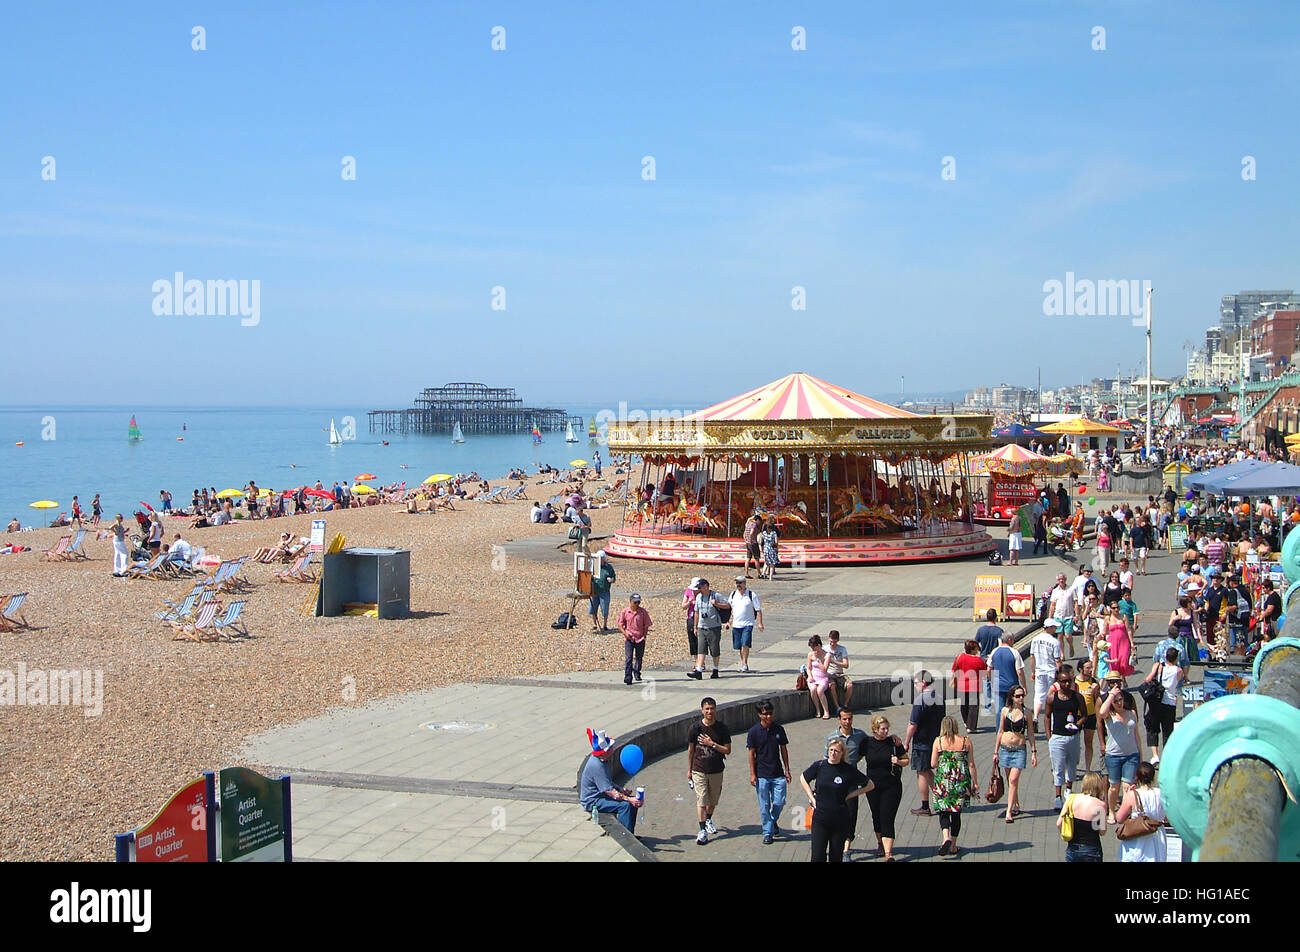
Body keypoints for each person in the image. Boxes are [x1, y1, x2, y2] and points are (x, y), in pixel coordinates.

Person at [800, 737, 870, 863]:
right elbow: (803, 778)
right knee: (817, 856)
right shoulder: (820, 766)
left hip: (840, 819)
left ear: (842, 753)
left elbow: (870, 785)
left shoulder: (848, 770)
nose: (833, 753)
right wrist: (811, 797)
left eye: (836, 751)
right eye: (831, 750)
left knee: (836, 856)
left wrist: (851, 795)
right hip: (820, 818)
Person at [930, 715, 979, 857]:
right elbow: (971, 764)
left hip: (943, 782)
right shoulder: (965, 742)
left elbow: (933, 764)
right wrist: (975, 783)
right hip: (960, 781)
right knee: (956, 813)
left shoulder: (938, 742)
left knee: (943, 810)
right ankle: (953, 845)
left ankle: (945, 836)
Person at [686, 697, 732, 845]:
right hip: (699, 769)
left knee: (712, 800)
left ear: (715, 710)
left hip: (716, 769)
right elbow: (691, 750)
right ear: (702, 710)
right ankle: (702, 830)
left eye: (712, 708)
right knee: (702, 799)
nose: (709, 711)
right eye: (707, 709)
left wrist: (712, 744)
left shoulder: (722, 728)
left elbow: (727, 750)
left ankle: (708, 819)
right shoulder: (695, 728)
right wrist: (689, 770)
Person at [861, 715, 907, 860]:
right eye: (883, 729)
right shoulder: (867, 743)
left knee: (887, 817)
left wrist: (898, 761)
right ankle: (880, 842)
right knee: (876, 815)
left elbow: (906, 760)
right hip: (872, 786)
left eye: (887, 728)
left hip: (891, 785)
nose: (886, 731)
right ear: (875, 729)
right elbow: (855, 757)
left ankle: (889, 853)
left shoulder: (893, 742)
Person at [825, 708, 869, 858]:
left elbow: (870, 745)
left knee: (851, 814)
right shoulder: (831, 737)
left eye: (850, 718)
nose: (847, 722)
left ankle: (846, 848)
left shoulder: (859, 735)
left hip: (850, 781)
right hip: (834, 781)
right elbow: (827, 760)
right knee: (832, 812)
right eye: (844, 719)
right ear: (839, 720)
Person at [746, 701, 791, 845]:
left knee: (779, 801)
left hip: (778, 773)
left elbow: (783, 749)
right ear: (759, 715)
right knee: (764, 806)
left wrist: (787, 769)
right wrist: (752, 774)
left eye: (770, 713)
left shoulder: (779, 729)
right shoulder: (753, 732)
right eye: (765, 714)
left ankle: (771, 822)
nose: (769, 716)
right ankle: (767, 832)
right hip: (762, 775)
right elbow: (751, 754)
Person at [579, 731, 642, 833]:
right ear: (605, 751)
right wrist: (628, 799)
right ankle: (624, 834)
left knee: (631, 803)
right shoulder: (597, 765)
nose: (613, 749)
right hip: (592, 800)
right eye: (610, 748)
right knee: (625, 806)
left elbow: (607, 781)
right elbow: (609, 791)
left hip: (600, 795)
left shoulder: (602, 761)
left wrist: (620, 789)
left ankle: (630, 833)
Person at [993, 684, 1037, 822]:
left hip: (1019, 750)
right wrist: (995, 751)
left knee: (1013, 780)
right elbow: (1000, 731)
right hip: (1005, 749)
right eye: (1018, 696)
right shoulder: (1005, 711)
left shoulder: (1027, 713)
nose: (1021, 698)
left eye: (1022, 695)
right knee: (1011, 781)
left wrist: (1034, 751)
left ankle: (1009, 811)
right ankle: (1016, 804)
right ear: (1012, 697)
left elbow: (1030, 732)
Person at [1098, 680, 1141, 820]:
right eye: (1116, 701)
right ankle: (1111, 811)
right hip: (1114, 755)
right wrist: (1111, 695)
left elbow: (1137, 735)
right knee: (1114, 787)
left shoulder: (1131, 713)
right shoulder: (1109, 716)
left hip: (1131, 755)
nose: (1119, 703)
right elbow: (1101, 711)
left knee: (1128, 785)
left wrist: (1140, 754)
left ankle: (1125, 812)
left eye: (1120, 700)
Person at [905, 671, 945, 816]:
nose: (915, 686)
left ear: (923, 683)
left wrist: (906, 741)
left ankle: (925, 806)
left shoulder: (920, 700)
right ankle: (942, 798)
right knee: (929, 770)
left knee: (921, 771)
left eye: (915, 683)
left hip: (922, 743)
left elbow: (913, 724)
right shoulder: (939, 697)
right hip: (936, 741)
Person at [1045, 664, 1084, 809]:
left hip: (1073, 736)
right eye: (1064, 681)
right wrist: (1049, 736)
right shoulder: (1052, 698)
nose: (1067, 684)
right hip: (1058, 736)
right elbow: (1047, 716)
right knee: (1058, 767)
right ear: (1058, 682)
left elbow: (1084, 715)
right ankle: (1057, 796)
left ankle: (1069, 790)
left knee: (1072, 764)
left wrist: (1077, 725)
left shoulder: (1077, 697)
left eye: (1069, 681)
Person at [1115, 762, 1167, 862]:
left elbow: (1119, 818)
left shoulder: (1132, 795)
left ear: (1137, 777)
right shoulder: (1161, 793)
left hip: (1137, 839)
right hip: (1157, 838)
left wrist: (1126, 794)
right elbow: (1167, 817)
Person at [1141, 648, 1183, 765]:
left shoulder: (1159, 666)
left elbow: (1147, 679)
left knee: (1152, 728)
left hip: (1157, 702)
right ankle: (1167, 756)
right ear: (1176, 658)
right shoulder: (1179, 670)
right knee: (1167, 731)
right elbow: (1175, 685)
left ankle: (1155, 755)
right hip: (1170, 703)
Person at [1057, 771, 1108, 862]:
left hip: (1073, 847)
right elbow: (1102, 831)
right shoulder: (1100, 805)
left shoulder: (1071, 799)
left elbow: (1059, 823)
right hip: (1092, 848)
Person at [688, 579, 728, 681]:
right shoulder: (699, 597)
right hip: (702, 627)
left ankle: (715, 669)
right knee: (701, 649)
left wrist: (717, 604)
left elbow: (728, 606)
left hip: (714, 627)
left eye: (700, 587)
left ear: (706, 586)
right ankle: (699, 671)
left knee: (714, 650)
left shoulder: (716, 595)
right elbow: (696, 612)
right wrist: (696, 627)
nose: (699, 590)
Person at [1030, 620, 1063, 732]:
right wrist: (1060, 673)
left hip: (1039, 671)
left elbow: (1032, 657)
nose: (1055, 629)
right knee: (1053, 696)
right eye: (1054, 627)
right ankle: (1053, 723)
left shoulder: (1035, 639)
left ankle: (1035, 718)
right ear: (1049, 628)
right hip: (1051, 671)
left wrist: (1033, 671)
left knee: (1039, 695)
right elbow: (1057, 660)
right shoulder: (1054, 642)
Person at [950, 639, 988, 733]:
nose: (977, 651)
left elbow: (954, 669)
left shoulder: (960, 657)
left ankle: (966, 722)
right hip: (974, 686)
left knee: (964, 704)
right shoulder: (978, 660)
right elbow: (984, 673)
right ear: (972, 649)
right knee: (973, 706)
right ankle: (971, 726)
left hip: (962, 685)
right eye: (976, 649)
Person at [727, 575, 762, 673]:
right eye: (737, 583)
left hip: (748, 623)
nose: (738, 585)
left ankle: (745, 664)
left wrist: (760, 623)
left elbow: (758, 609)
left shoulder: (751, 594)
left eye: (740, 583)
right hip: (736, 624)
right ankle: (743, 662)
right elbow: (728, 608)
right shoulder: (733, 594)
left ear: (745, 583)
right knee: (739, 645)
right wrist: (727, 621)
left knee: (745, 643)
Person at [618, 593, 651, 685]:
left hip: (640, 638)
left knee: (639, 657)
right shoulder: (625, 611)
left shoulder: (643, 612)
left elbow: (646, 625)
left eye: (638, 602)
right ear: (630, 602)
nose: (637, 604)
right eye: (635, 602)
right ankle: (628, 676)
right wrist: (625, 634)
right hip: (629, 638)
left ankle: (637, 672)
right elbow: (620, 624)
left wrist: (644, 636)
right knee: (628, 658)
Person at [1074, 659, 1101, 771]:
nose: (1091, 670)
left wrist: (1096, 691)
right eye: (1088, 668)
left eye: (1091, 667)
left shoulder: (1094, 682)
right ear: (1081, 669)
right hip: (1078, 715)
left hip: (1091, 715)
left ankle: (1088, 769)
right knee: (1074, 742)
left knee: (1088, 742)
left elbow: (1098, 700)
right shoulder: (1074, 682)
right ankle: (1072, 767)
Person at [975, 609, 1003, 712]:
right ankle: (997, 702)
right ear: (996, 617)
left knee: (986, 682)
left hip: (983, 659)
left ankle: (987, 706)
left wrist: (981, 652)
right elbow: (1000, 646)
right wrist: (992, 655)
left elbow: (975, 643)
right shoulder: (999, 631)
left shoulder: (981, 630)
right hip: (994, 660)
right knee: (995, 681)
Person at [824, 629, 853, 708]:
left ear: (838, 640)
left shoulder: (842, 649)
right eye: (831, 642)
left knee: (849, 685)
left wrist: (834, 662)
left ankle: (845, 704)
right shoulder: (825, 649)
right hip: (829, 674)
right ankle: (837, 706)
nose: (832, 644)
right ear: (828, 639)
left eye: (834, 642)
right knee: (832, 686)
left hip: (839, 673)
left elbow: (846, 665)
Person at [589, 551, 616, 633]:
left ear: (604, 559)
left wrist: (611, 580)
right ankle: (594, 624)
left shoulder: (609, 567)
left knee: (605, 608)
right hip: (595, 590)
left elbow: (614, 577)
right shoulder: (594, 566)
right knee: (593, 607)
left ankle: (605, 624)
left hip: (604, 590)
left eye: (600, 559)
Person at [805, 635, 832, 719]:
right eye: (811, 647)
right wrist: (810, 676)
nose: (813, 650)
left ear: (819, 645)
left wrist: (818, 661)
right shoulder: (810, 655)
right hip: (813, 677)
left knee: (820, 690)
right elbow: (808, 668)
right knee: (813, 689)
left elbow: (824, 670)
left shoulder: (827, 655)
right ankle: (818, 710)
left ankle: (826, 711)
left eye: (814, 647)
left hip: (822, 677)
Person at [682, 577, 701, 659]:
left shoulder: (703, 593)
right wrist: (689, 602)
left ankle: (701, 661)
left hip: (701, 618)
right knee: (692, 639)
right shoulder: (688, 591)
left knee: (700, 639)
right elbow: (683, 606)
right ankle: (696, 660)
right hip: (691, 617)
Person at [742, 512, 763, 579]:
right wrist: (751, 540)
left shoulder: (748, 524)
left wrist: (746, 540)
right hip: (753, 543)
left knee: (748, 558)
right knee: (757, 558)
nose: (759, 523)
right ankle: (759, 573)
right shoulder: (754, 525)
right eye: (759, 521)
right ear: (757, 520)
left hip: (748, 543)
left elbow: (744, 533)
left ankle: (746, 573)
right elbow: (751, 532)